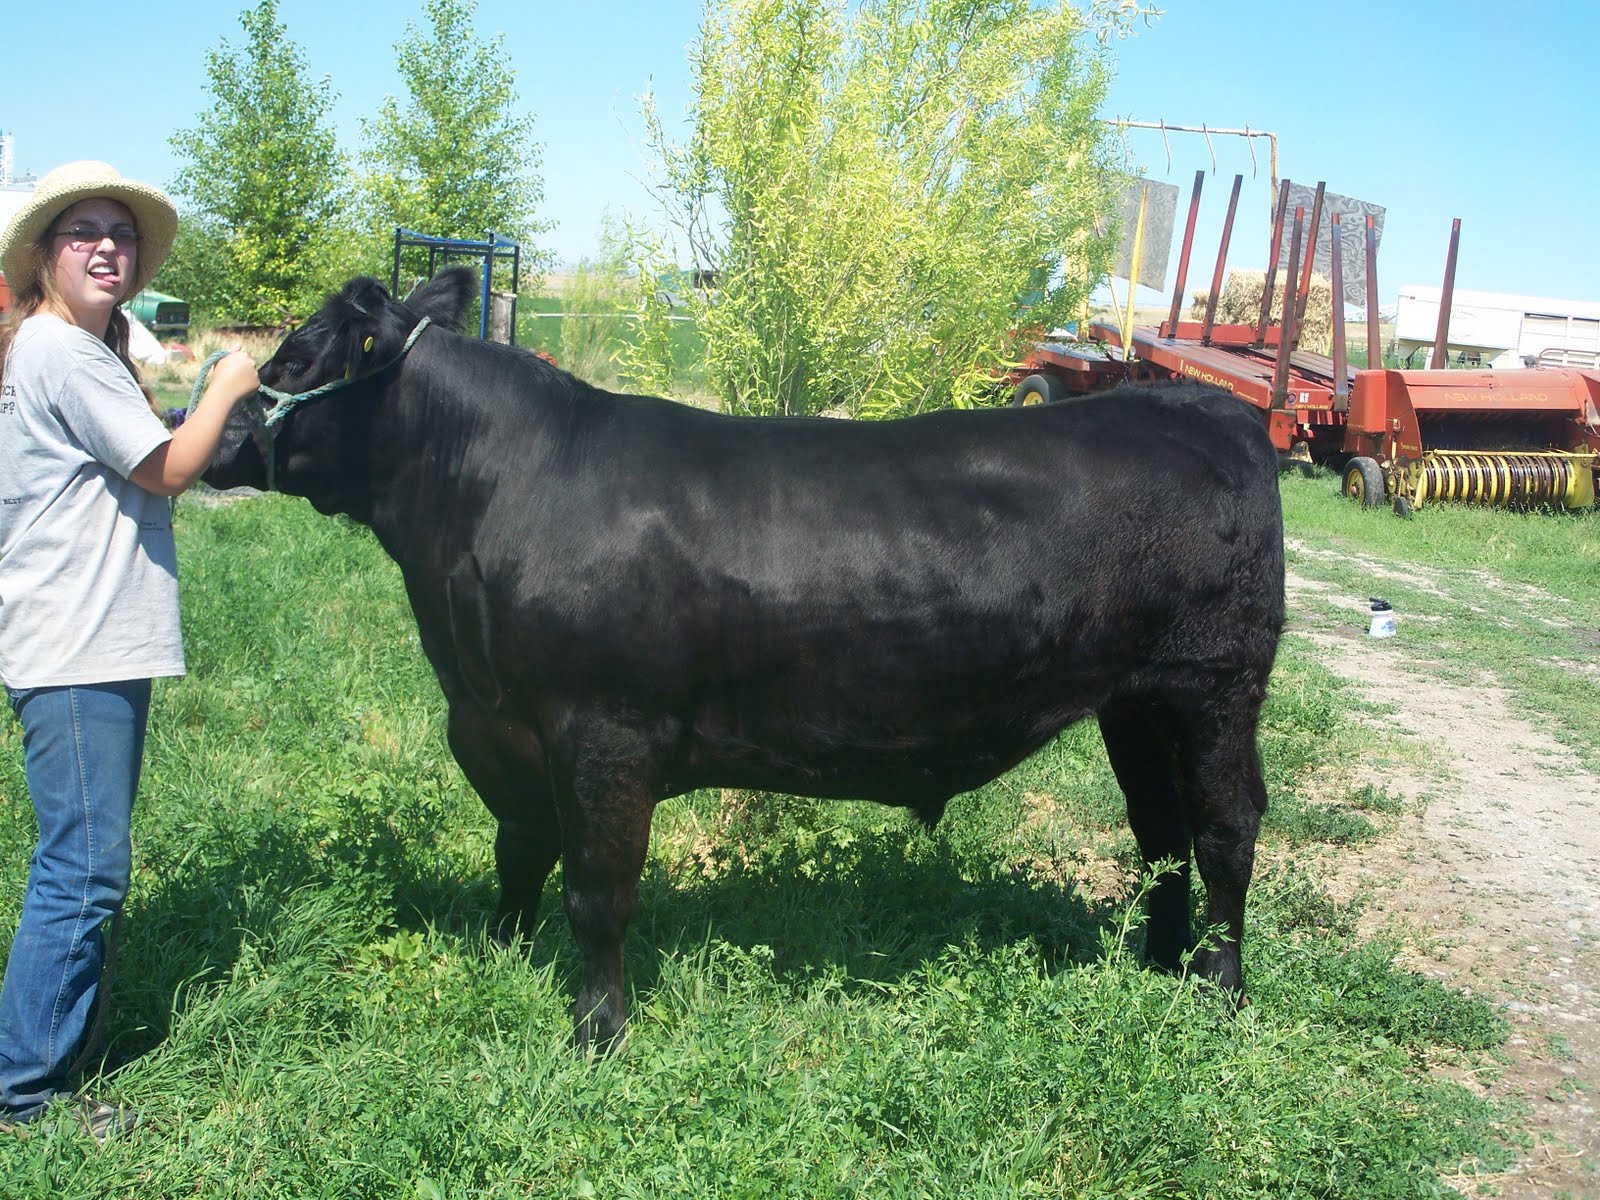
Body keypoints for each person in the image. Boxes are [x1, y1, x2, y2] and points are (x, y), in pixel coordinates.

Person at [0, 161, 260, 1139]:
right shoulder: (63, 354)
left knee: (88, 860)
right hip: (74, 650)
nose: (107, 245)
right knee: (84, 867)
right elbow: (170, 469)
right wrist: (227, 383)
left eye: (120, 232)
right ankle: (24, 1094)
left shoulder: (71, 350)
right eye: (82, 231)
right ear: (44, 254)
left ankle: (60, 1056)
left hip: (88, 640)